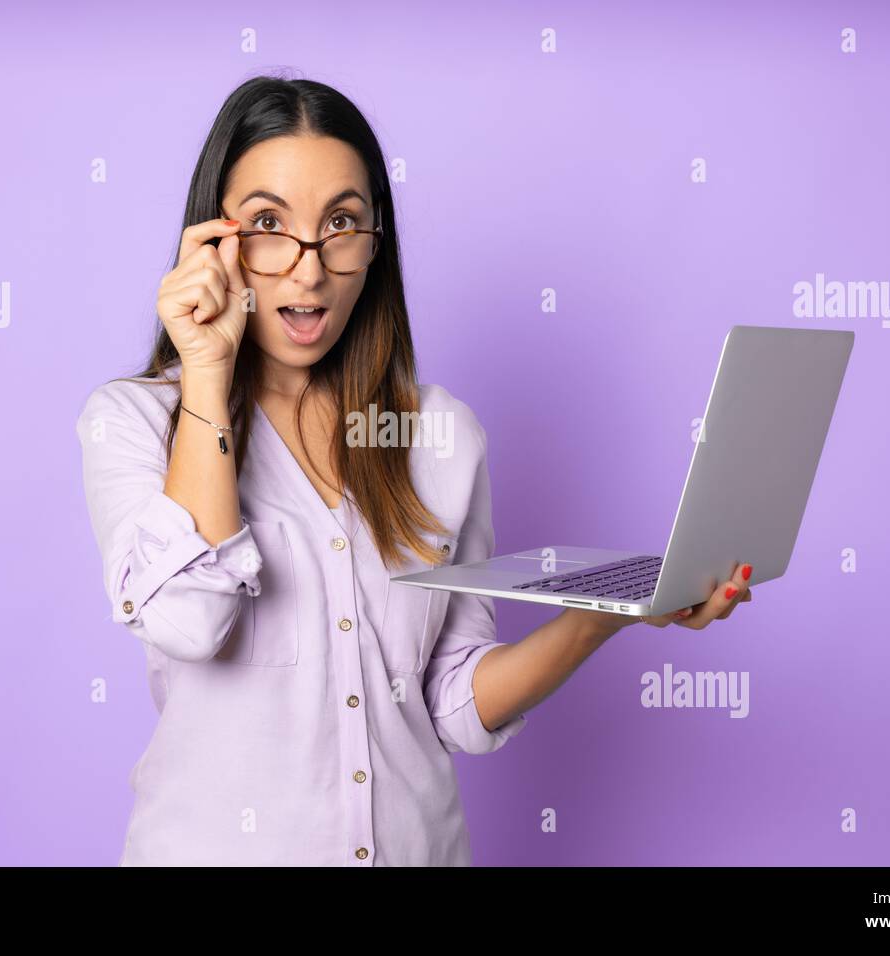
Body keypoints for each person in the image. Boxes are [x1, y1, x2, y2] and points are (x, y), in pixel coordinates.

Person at [76, 73, 753, 866]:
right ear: (215, 242)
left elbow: (455, 701)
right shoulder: (134, 423)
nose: (308, 265)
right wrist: (205, 367)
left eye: (342, 223)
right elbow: (190, 620)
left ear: (375, 243)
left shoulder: (440, 434)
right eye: (267, 223)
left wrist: (606, 614)